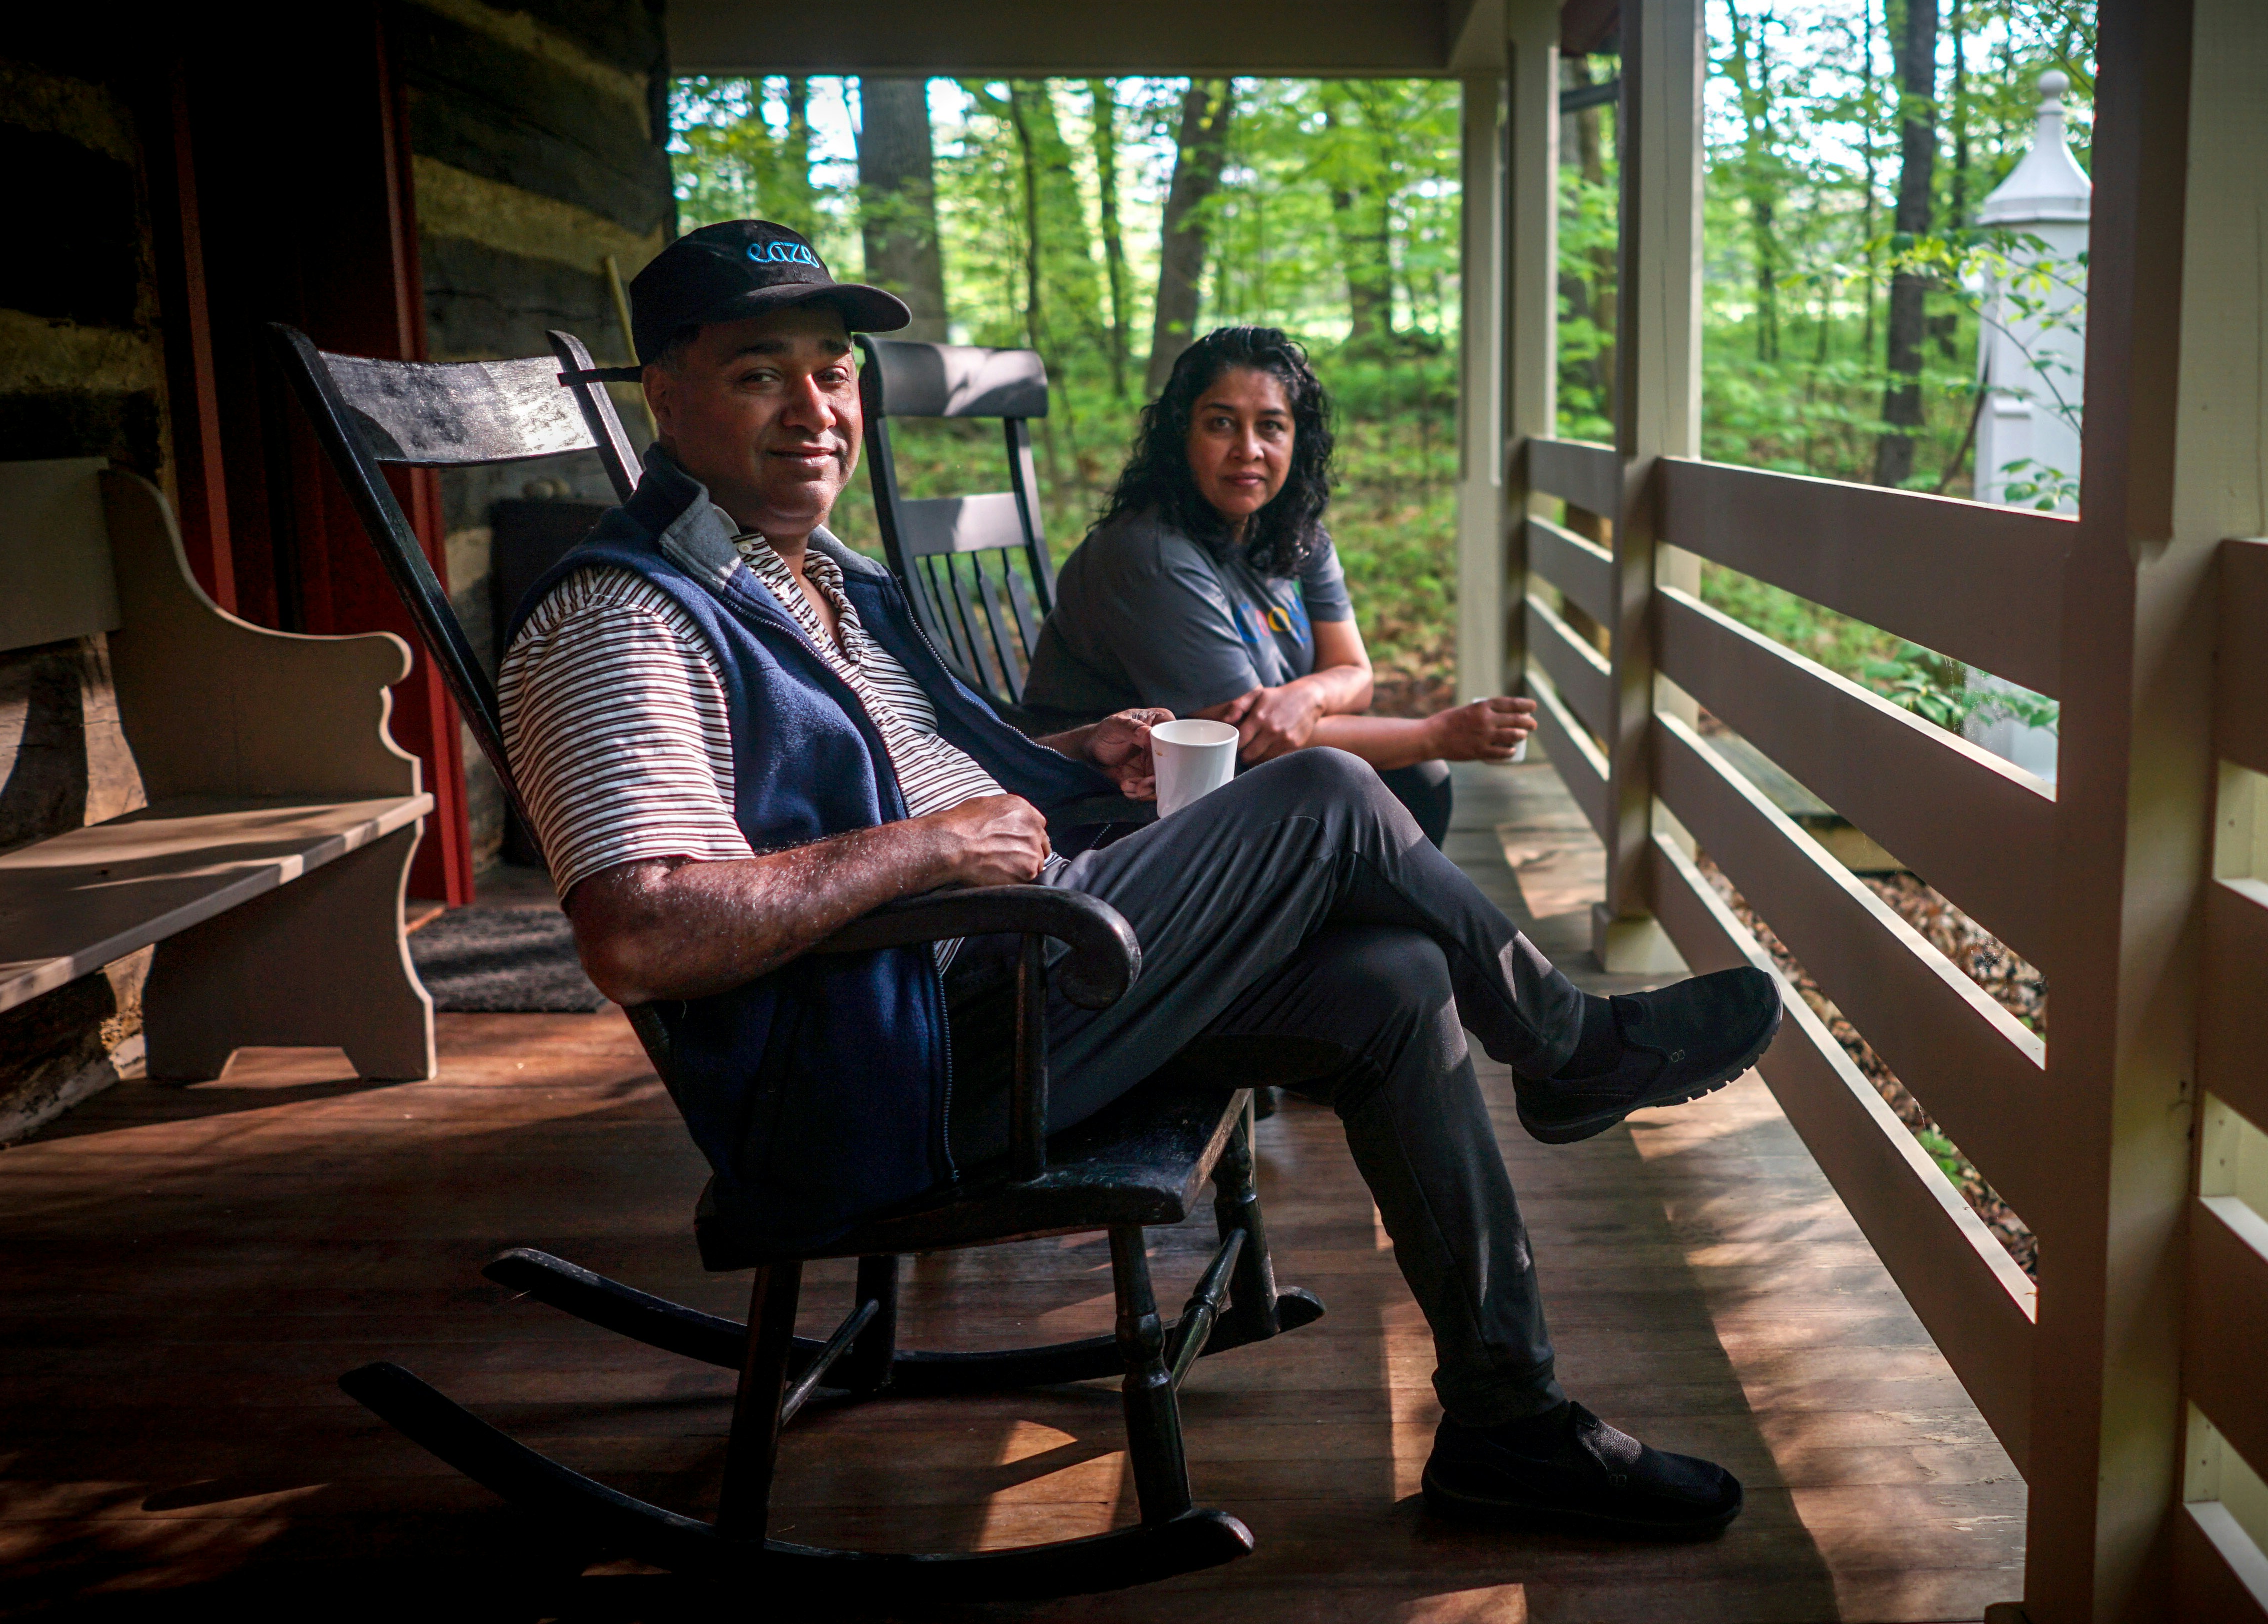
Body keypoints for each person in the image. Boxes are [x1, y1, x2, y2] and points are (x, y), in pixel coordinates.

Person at [498, 220, 1785, 1540]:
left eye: (831, 371)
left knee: (1397, 980)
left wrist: (1070, 754)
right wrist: (933, 849)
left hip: (1000, 982)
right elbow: (638, 931)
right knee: (1330, 793)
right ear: (665, 395)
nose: (816, 408)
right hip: (896, 1069)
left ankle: (1509, 1420)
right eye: (760, 373)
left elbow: (910, 776)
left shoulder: (821, 576)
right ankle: (1566, 1045)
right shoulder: (622, 617)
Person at [1020, 327, 1532, 846]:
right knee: (1414, 776)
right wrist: (1437, 734)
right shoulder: (1147, 554)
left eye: (1271, 426)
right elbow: (1250, 741)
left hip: (1229, 788)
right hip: (1112, 812)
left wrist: (1307, 694)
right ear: (1181, 435)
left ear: (1297, 439)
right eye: (1221, 423)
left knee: (1412, 780)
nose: (1248, 449)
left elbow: (1356, 676)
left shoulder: (1295, 534)